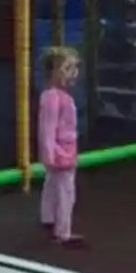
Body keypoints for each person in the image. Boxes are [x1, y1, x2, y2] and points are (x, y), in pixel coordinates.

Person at [38, 46, 83, 247]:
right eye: (67, 68)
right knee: (66, 192)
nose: (73, 73)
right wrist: (52, 154)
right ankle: (63, 231)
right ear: (53, 72)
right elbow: (48, 129)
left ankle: (49, 219)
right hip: (61, 153)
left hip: (62, 151)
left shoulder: (60, 97)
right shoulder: (53, 97)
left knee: (52, 187)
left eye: (74, 68)